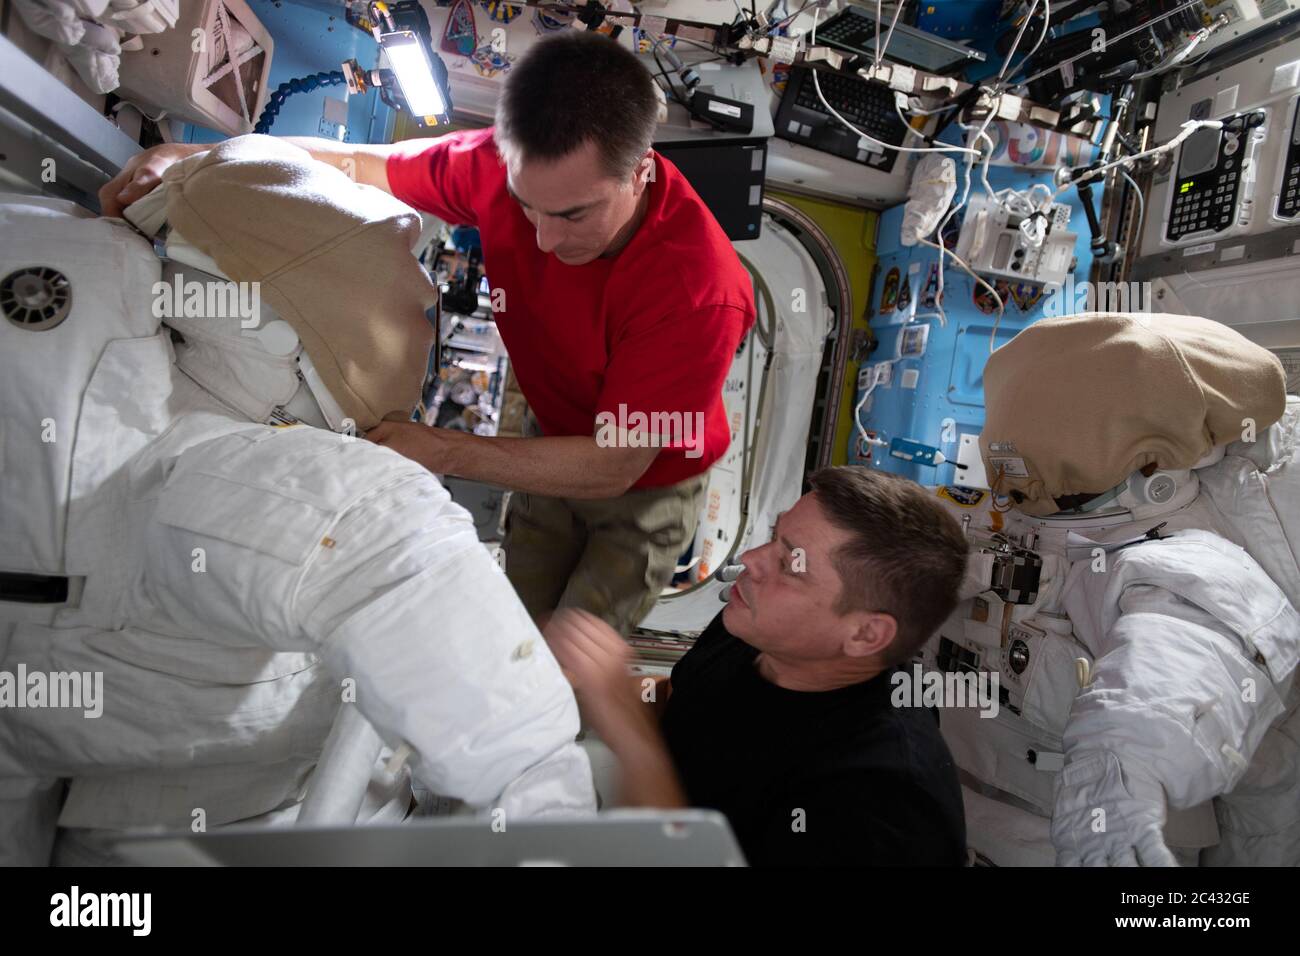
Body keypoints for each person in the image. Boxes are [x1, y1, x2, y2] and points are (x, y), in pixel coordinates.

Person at [0, 136, 594, 865]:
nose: (426, 304)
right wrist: (557, 833)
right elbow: (394, 559)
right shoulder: (258, 473)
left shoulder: (127, 362)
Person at [99, 31, 756, 636]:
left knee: (568, 665)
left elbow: (616, 463)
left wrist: (442, 450)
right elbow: (357, 165)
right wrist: (195, 158)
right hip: (555, 435)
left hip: (648, 480)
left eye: (572, 215)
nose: (544, 240)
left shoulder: (699, 290)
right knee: (508, 631)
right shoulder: (493, 166)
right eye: (527, 208)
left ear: (641, 169)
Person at [930, 311, 1300, 866]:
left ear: (1152, 460)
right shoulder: (1011, 514)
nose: (1022, 483)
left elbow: (1168, 673)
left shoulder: (1179, 562)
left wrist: (1114, 783)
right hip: (952, 805)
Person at [544, 467, 971, 866]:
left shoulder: (882, 802)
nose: (750, 559)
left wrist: (630, 734)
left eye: (790, 564)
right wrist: (591, 687)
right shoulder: (752, 631)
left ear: (865, 635)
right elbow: (683, 697)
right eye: (773, 535)